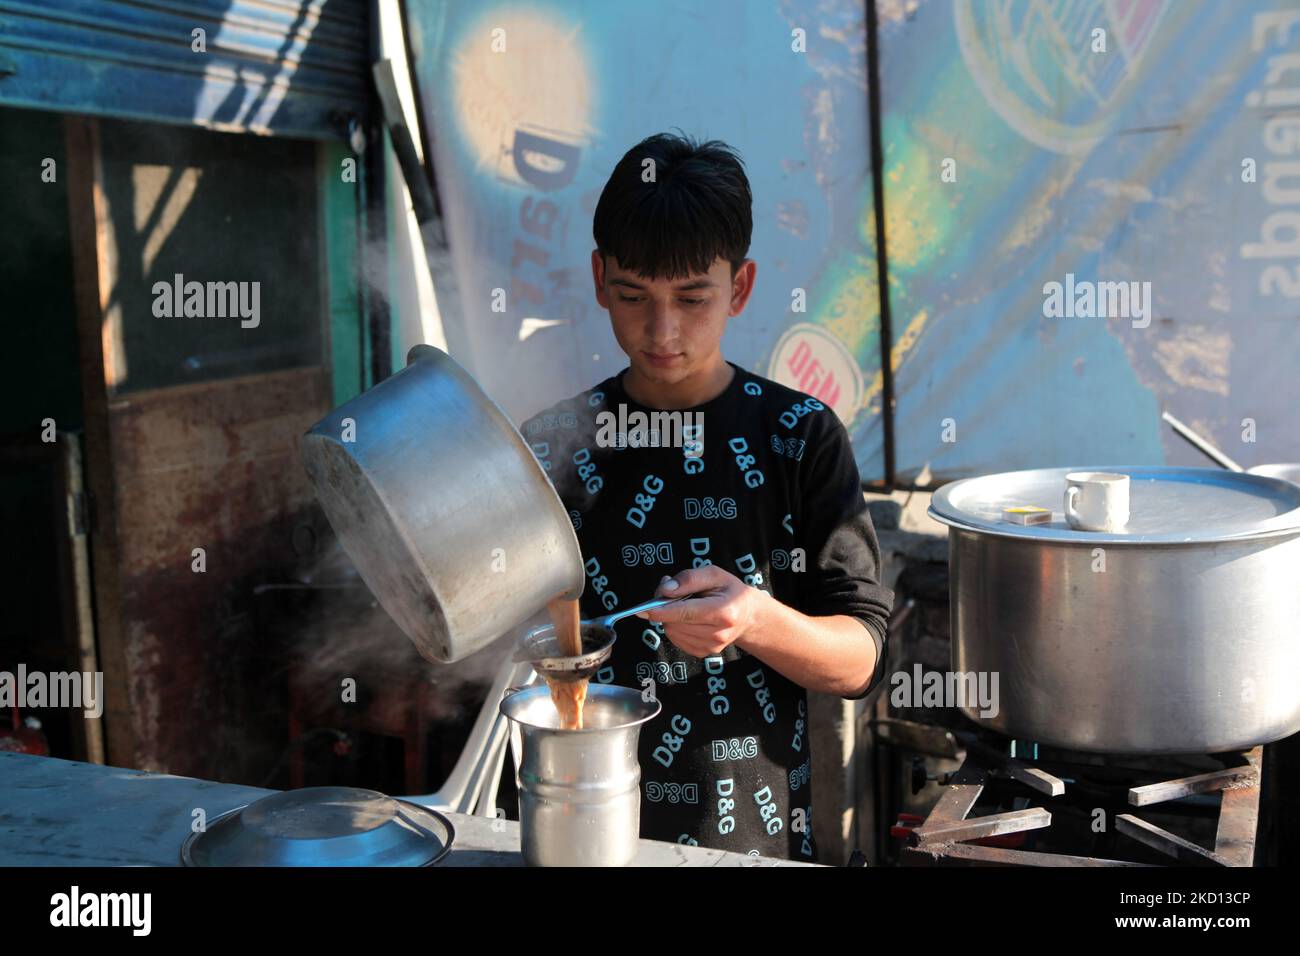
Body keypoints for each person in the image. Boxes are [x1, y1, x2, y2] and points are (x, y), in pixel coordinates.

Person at [520, 131, 893, 863]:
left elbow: (860, 660)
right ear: (599, 279)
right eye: (633, 295)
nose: (662, 331)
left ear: (741, 286)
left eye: (693, 297)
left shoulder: (797, 436)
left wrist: (752, 616)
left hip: (746, 840)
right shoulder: (554, 442)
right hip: (575, 826)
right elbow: (494, 630)